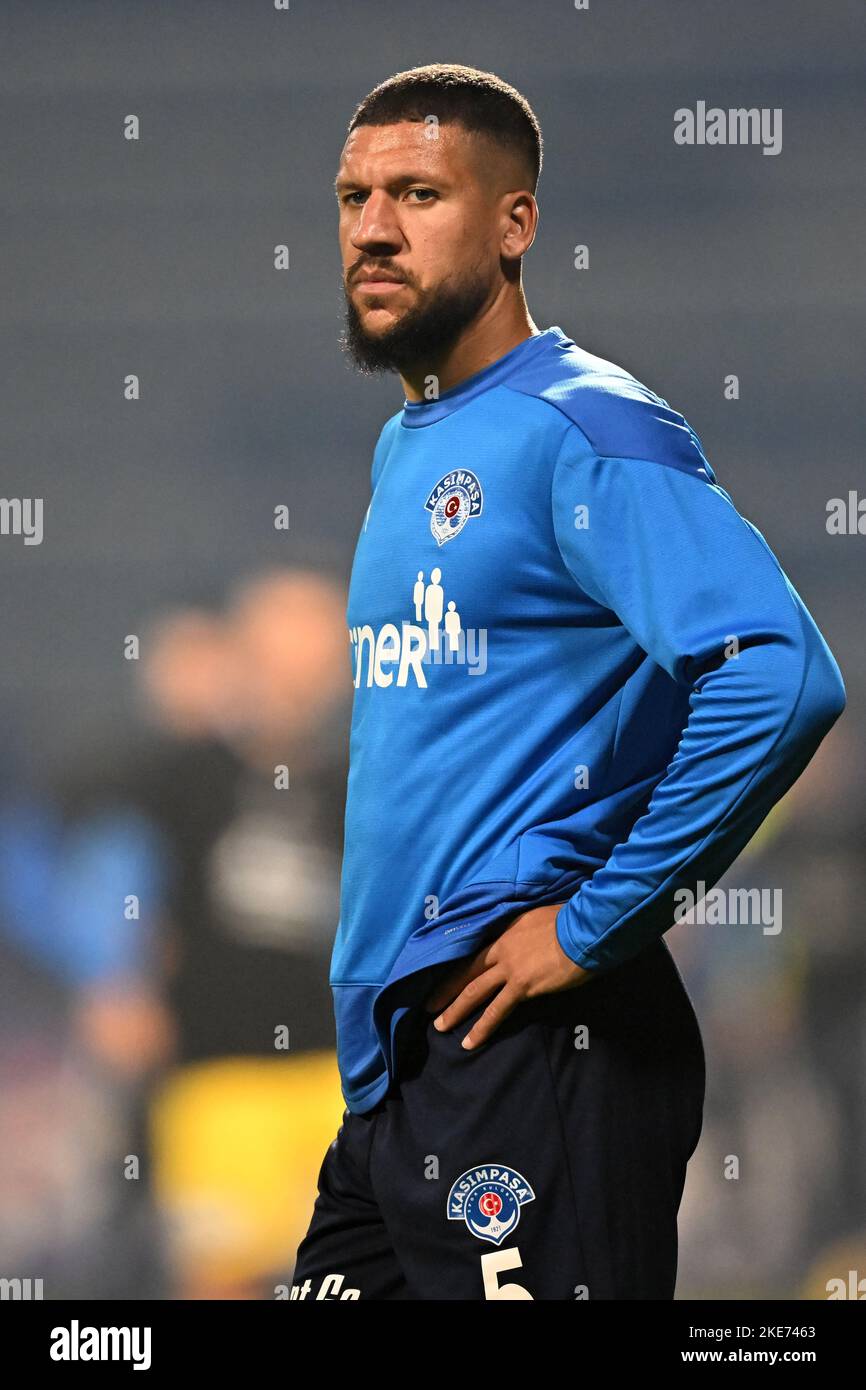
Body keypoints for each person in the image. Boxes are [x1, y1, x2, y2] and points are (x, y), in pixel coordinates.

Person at [291, 63, 847, 1301]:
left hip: (533, 1046)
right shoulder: (407, 440)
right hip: (405, 1068)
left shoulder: (587, 426)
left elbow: (780, 675)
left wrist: (597, 921)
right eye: (352, 196)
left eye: (418, 193)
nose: (372, 227)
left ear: (514, 222)